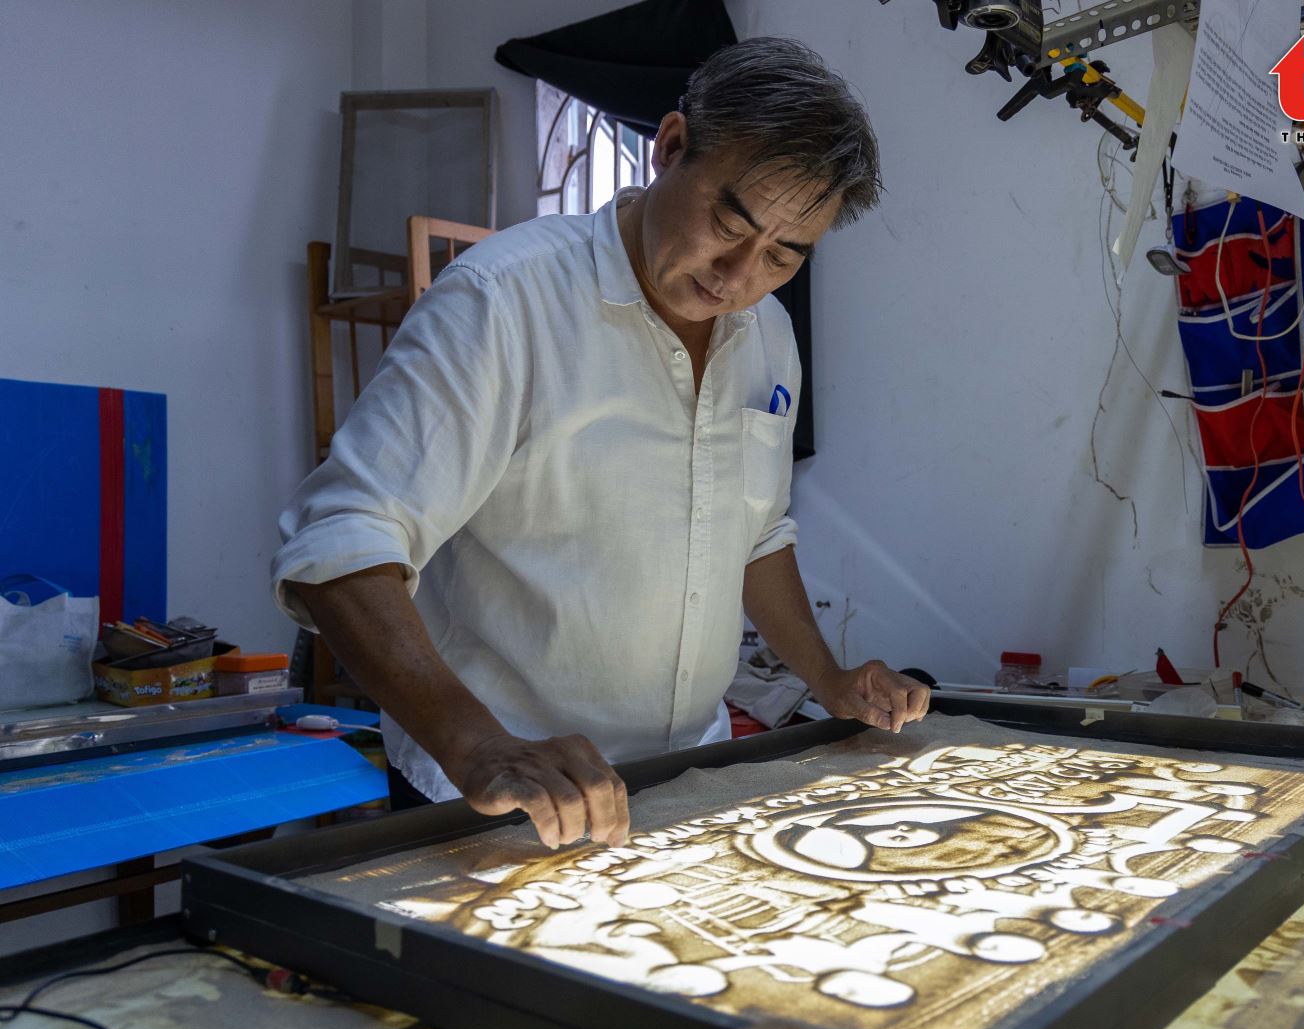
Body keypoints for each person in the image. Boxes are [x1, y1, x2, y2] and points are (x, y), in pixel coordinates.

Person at [272, 38, 930, 850]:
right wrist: (475, 743)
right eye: (731, 222)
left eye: (784, 255)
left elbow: (754, 533)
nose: (738, 275)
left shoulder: (765, 336)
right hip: (503, 793)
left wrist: (828, 678)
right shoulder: (501, 301)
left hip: (685, 778)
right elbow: (341, 542)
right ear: (671, 147)